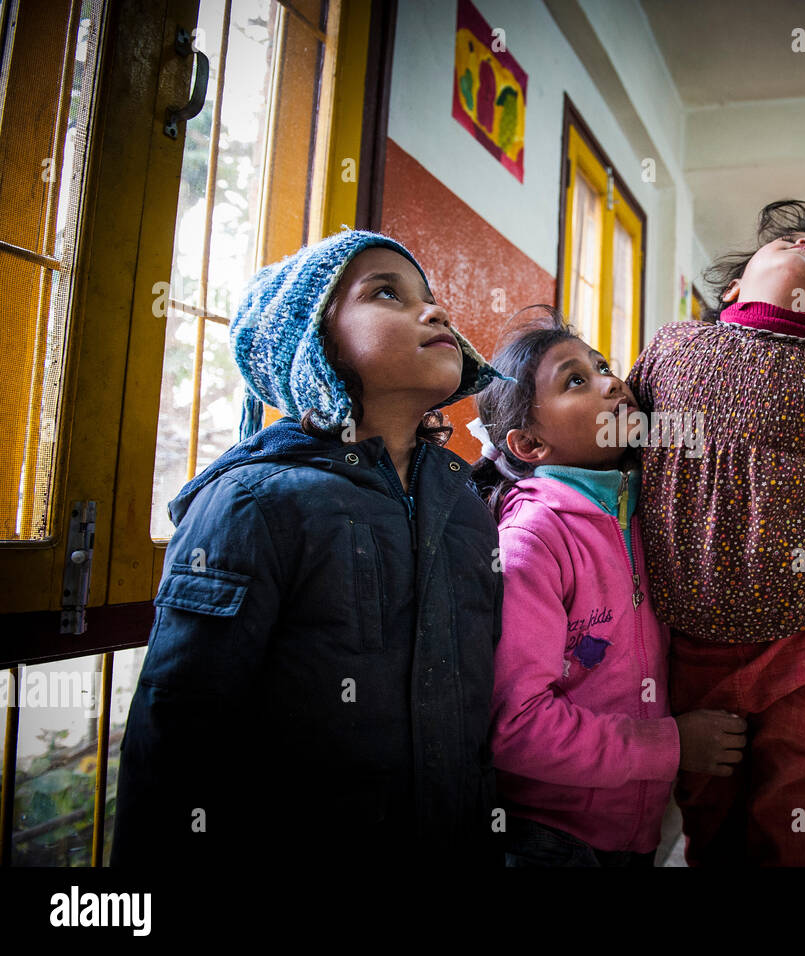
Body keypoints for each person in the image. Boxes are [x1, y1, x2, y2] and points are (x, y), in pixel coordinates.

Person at [112, 229, 511, 867]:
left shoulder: (467, 507)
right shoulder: (255, 504)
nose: (434, 311)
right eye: (387, 294)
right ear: (313, 344)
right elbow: (179, 735)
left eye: (430, 298)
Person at [624, 199, 805, 866]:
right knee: (709, 811)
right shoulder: (674, 343)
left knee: (803, 813)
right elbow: (624, 443)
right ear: (735, 287)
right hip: (693, 637)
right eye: (788, 242)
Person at [469, 308, 747, 867]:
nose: (611, 381)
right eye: (576, 380)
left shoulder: (650, 511)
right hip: (550, 835)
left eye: (602, 365)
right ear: (529, 445)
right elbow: (516, 726)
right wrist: (670, 746)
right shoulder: (534, 539)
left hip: (635, 831)